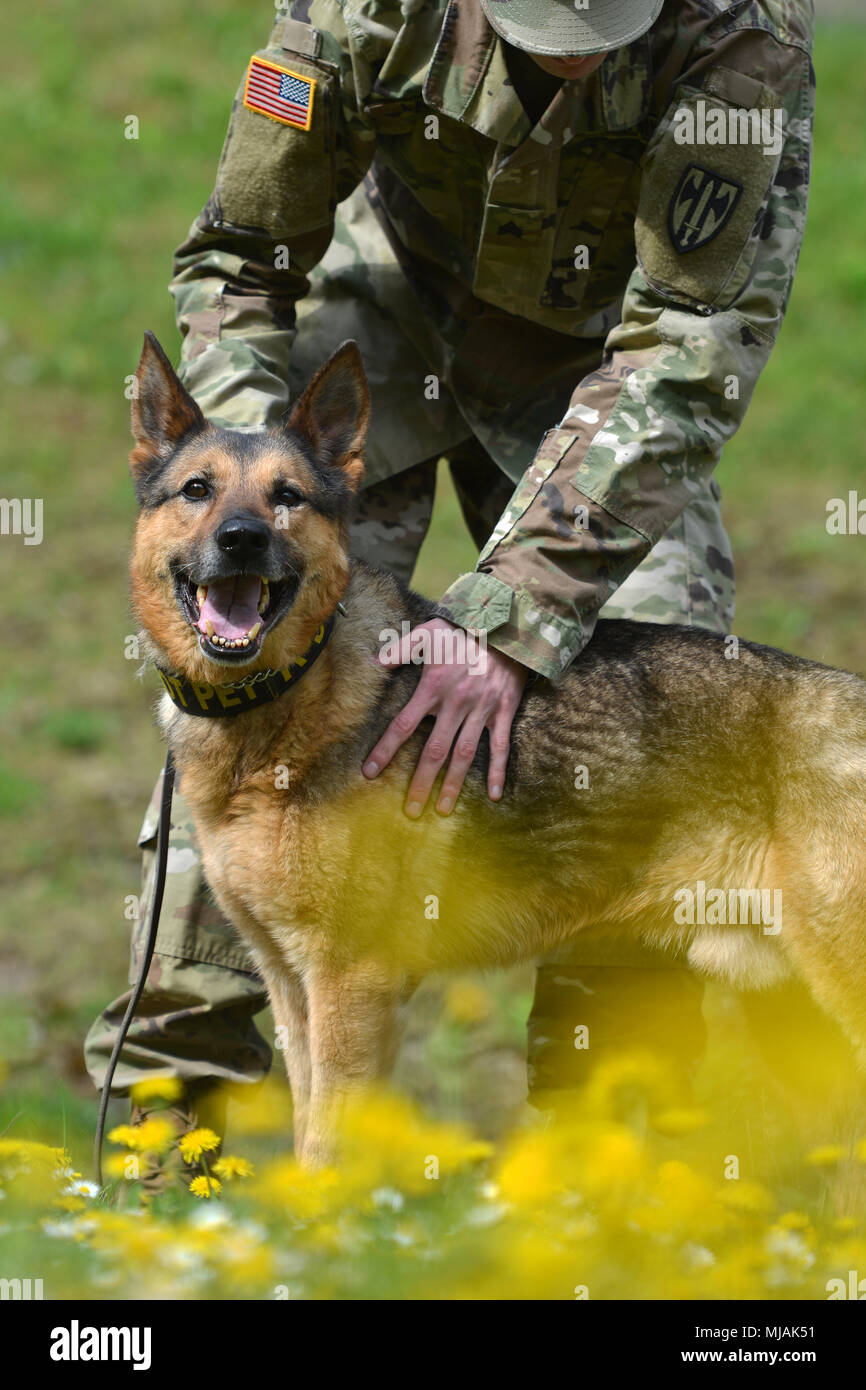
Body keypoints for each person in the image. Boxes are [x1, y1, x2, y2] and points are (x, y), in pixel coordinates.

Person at [85, 0, 815, 1147]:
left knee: (663, 720)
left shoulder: (740, 34)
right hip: (376, 327)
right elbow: (239, 252)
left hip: (602, 369)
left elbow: (690, 343)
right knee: (251, 715)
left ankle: (604, 1174)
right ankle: (164, 1152)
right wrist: (246, 483)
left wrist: (513, 612)